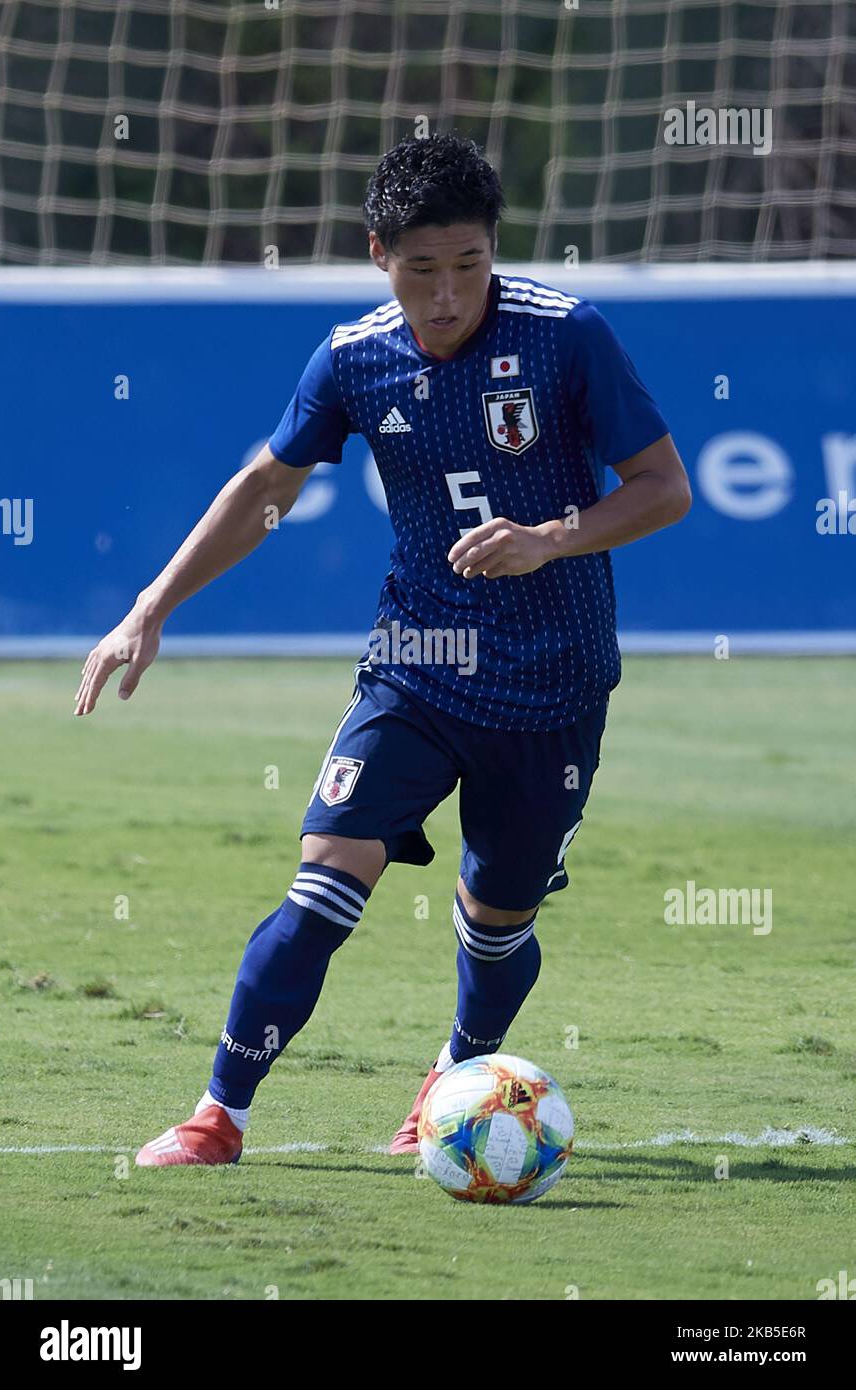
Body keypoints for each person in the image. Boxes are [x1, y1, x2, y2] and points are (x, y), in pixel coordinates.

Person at [74, 132, 691, 1166]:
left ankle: (456, 1076)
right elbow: (267, 486)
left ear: (493, 251)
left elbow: (663, 486)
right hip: (416, 662)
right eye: (420, 269)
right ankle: (217, 1114)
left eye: (467, 266)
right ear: (377, 255)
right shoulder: (355, 357)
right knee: (323, 883)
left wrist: (552, 537)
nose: (446, 294)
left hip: (554, 680)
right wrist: (152, 604)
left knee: (495, 923)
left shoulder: (564, 336)